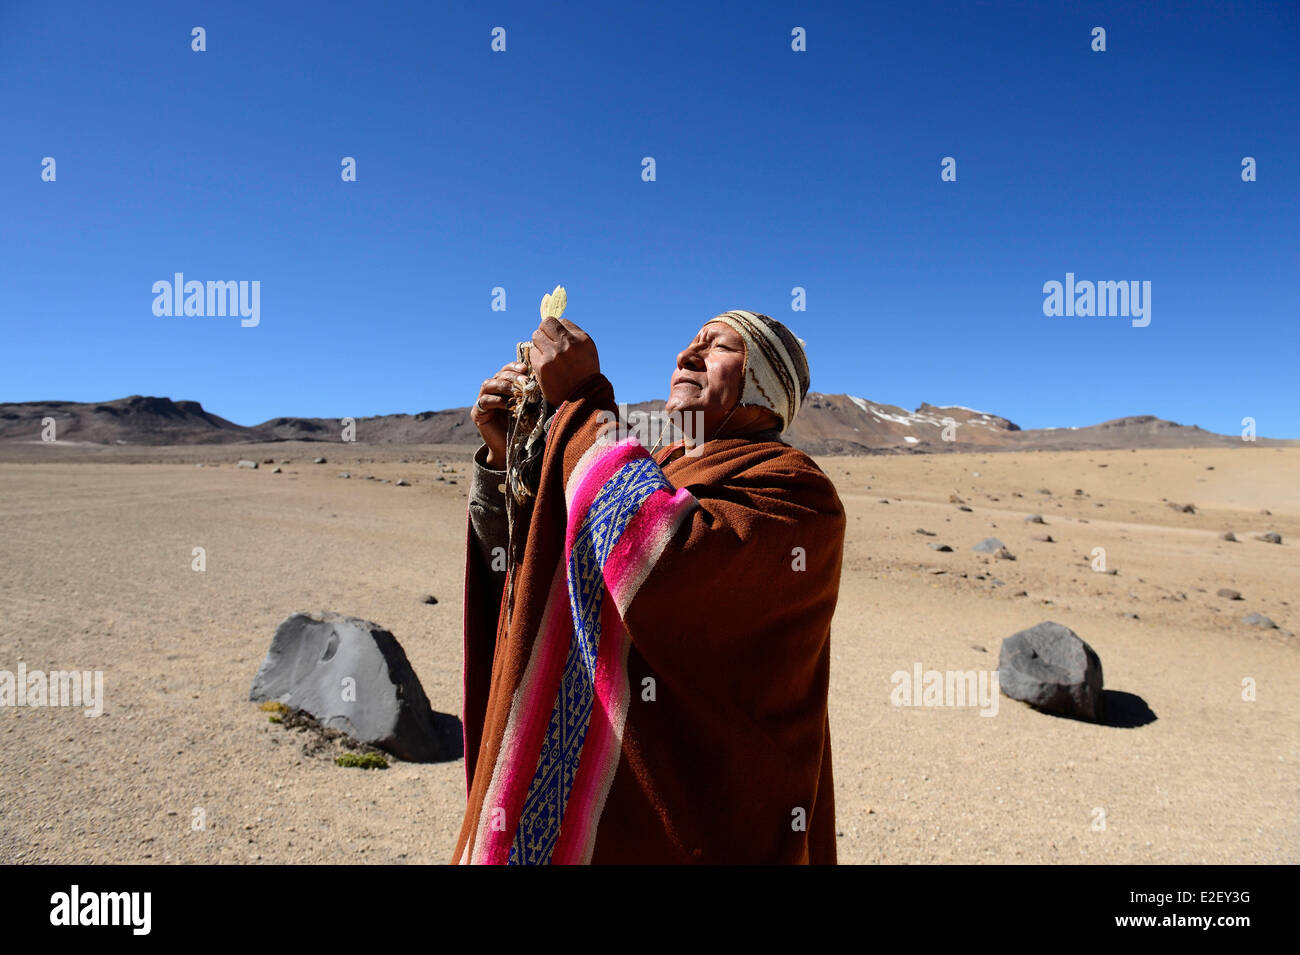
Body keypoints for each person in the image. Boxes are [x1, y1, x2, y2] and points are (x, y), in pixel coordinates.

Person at [454, 308, 846, 864]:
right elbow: (553, 562)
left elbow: (661, 562)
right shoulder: (655, 467)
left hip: (694, 817)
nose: (686, 355)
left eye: (717, 346)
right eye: (689, 342)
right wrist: (509, 458)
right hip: (600, 795)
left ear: (768, 387)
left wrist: (584, 400)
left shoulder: (796, 489)